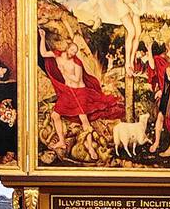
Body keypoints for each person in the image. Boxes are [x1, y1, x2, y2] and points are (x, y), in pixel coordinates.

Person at [39, 26, 123, 160]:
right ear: (67, 48)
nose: (72, 53)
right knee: (55, 116)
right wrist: (43, 37)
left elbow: (78, 79)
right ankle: (61, 141)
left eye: (75, 51)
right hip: (68, 92)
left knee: (84, 120)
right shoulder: (57, 55)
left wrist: (66, 74)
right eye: (72, 50)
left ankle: (90, 147)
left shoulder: (76, 62)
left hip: (79, 92)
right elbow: (43, 53)